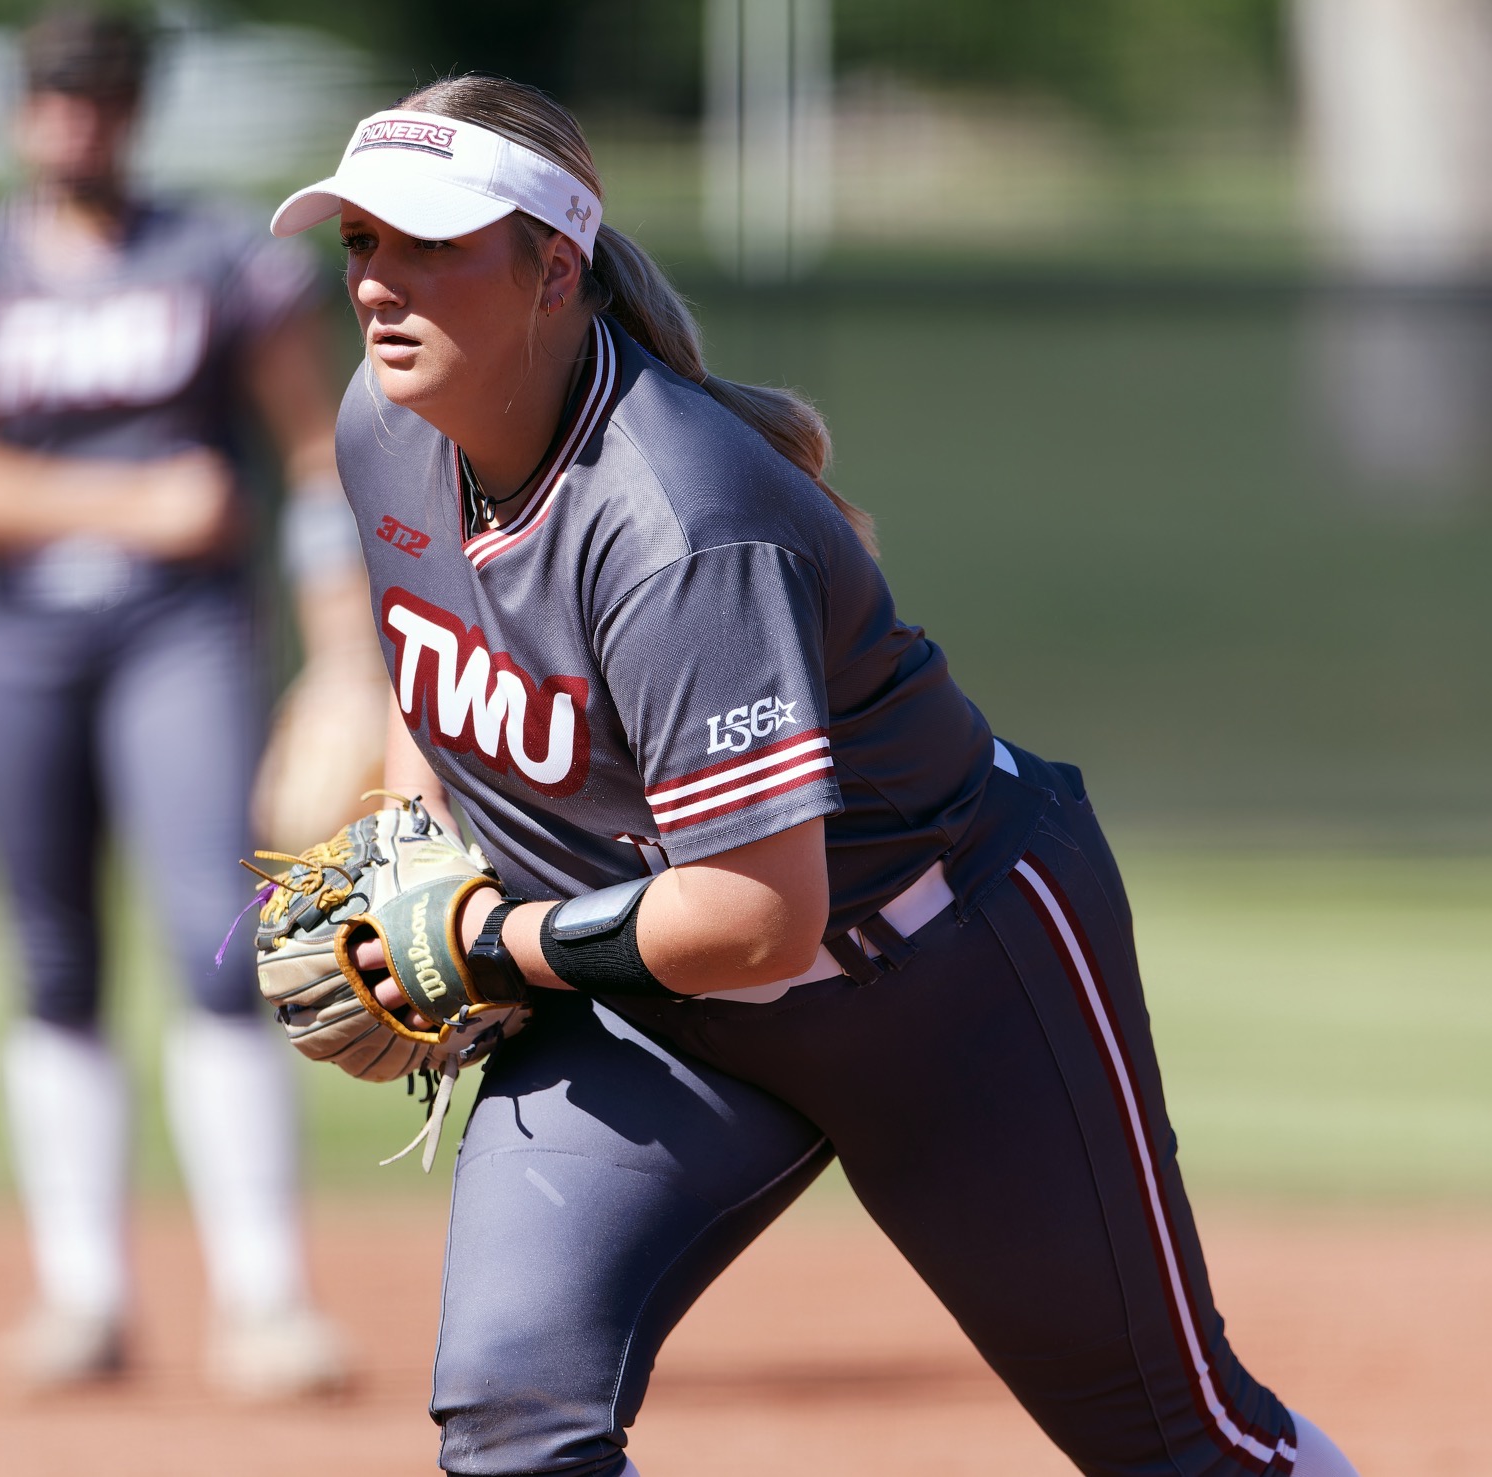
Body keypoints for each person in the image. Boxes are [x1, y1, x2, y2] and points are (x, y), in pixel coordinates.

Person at [266, 75, 1366, 1475]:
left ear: (556, 266)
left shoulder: (681, 522)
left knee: (1178, 1442)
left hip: (943, 984)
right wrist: (417, 843)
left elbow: (757, 916)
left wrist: (484, 942)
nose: (376, 283)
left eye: (429, 241)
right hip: (655, 1012)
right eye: (359, 242)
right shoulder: (386, 423)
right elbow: (439, 655)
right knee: (513, 1417)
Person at [0, 8, 369, 1397]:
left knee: (218, 944)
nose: (73, 120)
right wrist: (137, 497)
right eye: (53, 96)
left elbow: (317, 455)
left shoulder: (221, 258)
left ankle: (265, 1298)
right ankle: (83, 1296)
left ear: (137, 110)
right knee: (52, 958)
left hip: (181, 639)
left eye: (99, 97)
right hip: (26, 639)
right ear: (20, 110)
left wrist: (344, 648)